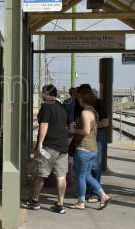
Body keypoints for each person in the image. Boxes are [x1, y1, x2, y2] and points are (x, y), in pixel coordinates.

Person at [22, 84, 70, 212]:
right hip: (62, 148)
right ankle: (60, 205)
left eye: (43, 92)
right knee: (61, 176)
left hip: (49, 148)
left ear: (47, 94)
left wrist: (40, 144)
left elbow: (44, 125)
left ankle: (34, 201)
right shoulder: (62, 107)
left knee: (40, 174)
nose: (42, 95)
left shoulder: (46, 106)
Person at [68, 86, 110, 210]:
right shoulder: (93, 112)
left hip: (83, 148)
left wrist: (73, 130)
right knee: (87, 175)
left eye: (79, 96)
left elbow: (86, 131)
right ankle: (103, 195)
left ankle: (81, 202)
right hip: (92, 148)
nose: (77, 98)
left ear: (83, 98)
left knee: (81, 176)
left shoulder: (85, 113)